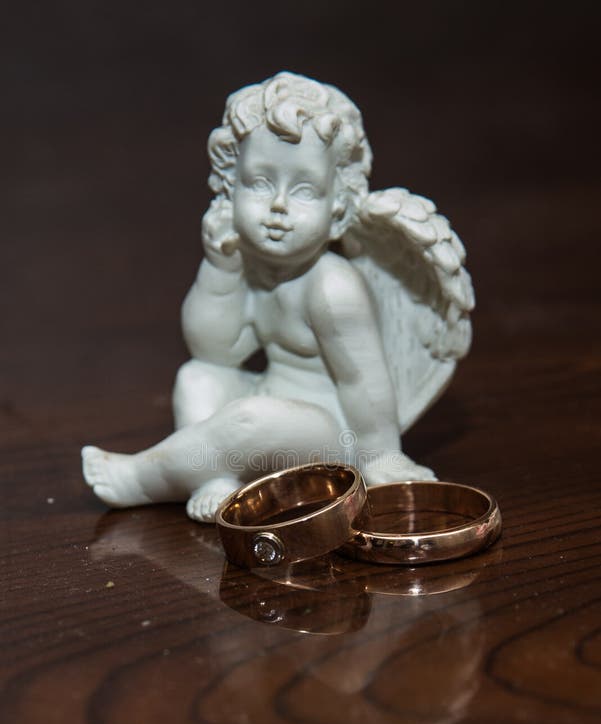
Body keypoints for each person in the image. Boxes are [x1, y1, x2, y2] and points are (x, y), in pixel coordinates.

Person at [82, 72, 434, 522]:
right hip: (266, 406)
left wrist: (382, 456)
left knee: (249, 420)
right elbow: (214, 349)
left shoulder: (332, 285)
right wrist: (220, 268)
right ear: (230, 187)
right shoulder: (249, 264)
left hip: (333, 434)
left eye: (305, 189)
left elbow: (362, 382)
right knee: (197, 377)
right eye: (260, 183)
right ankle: (213, 478)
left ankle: (142, 479)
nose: (279, 206)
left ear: (339, 208)